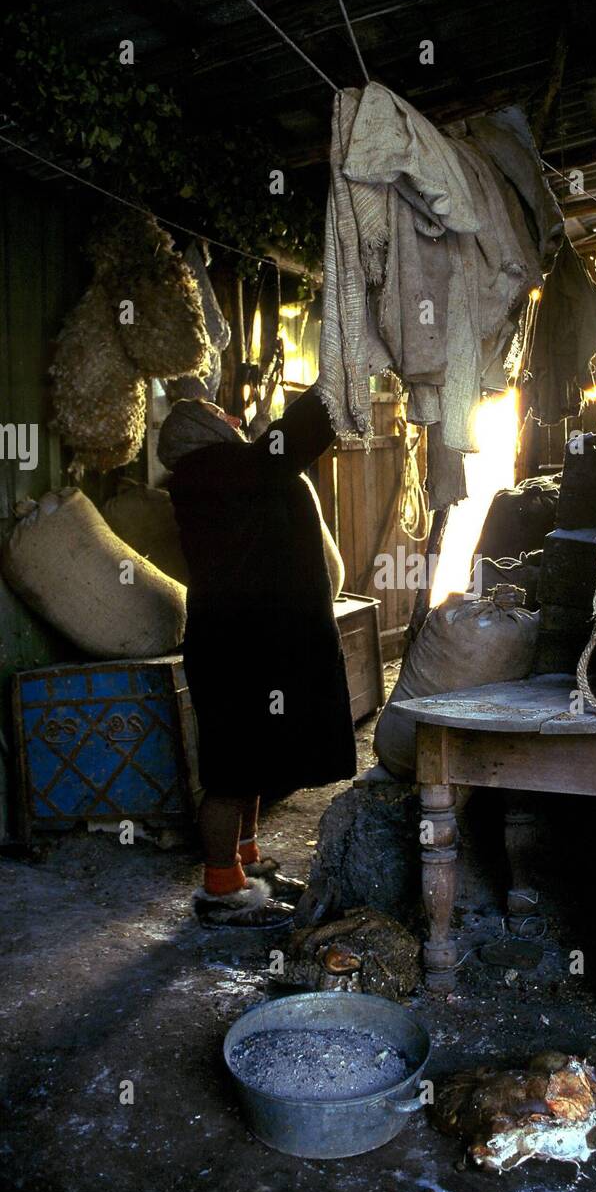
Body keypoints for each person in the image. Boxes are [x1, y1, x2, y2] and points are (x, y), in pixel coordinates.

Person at [157, 385, 356, 926]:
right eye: (216, 414)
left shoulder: (227, 472)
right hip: (235, 649)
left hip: (248, 641)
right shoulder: (216, 474)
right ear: (202, 434)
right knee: (231, 771)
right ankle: (221, 891)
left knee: (252, 761)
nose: (230, 416)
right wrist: (333, 385)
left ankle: (246, 862)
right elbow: (286, 447)